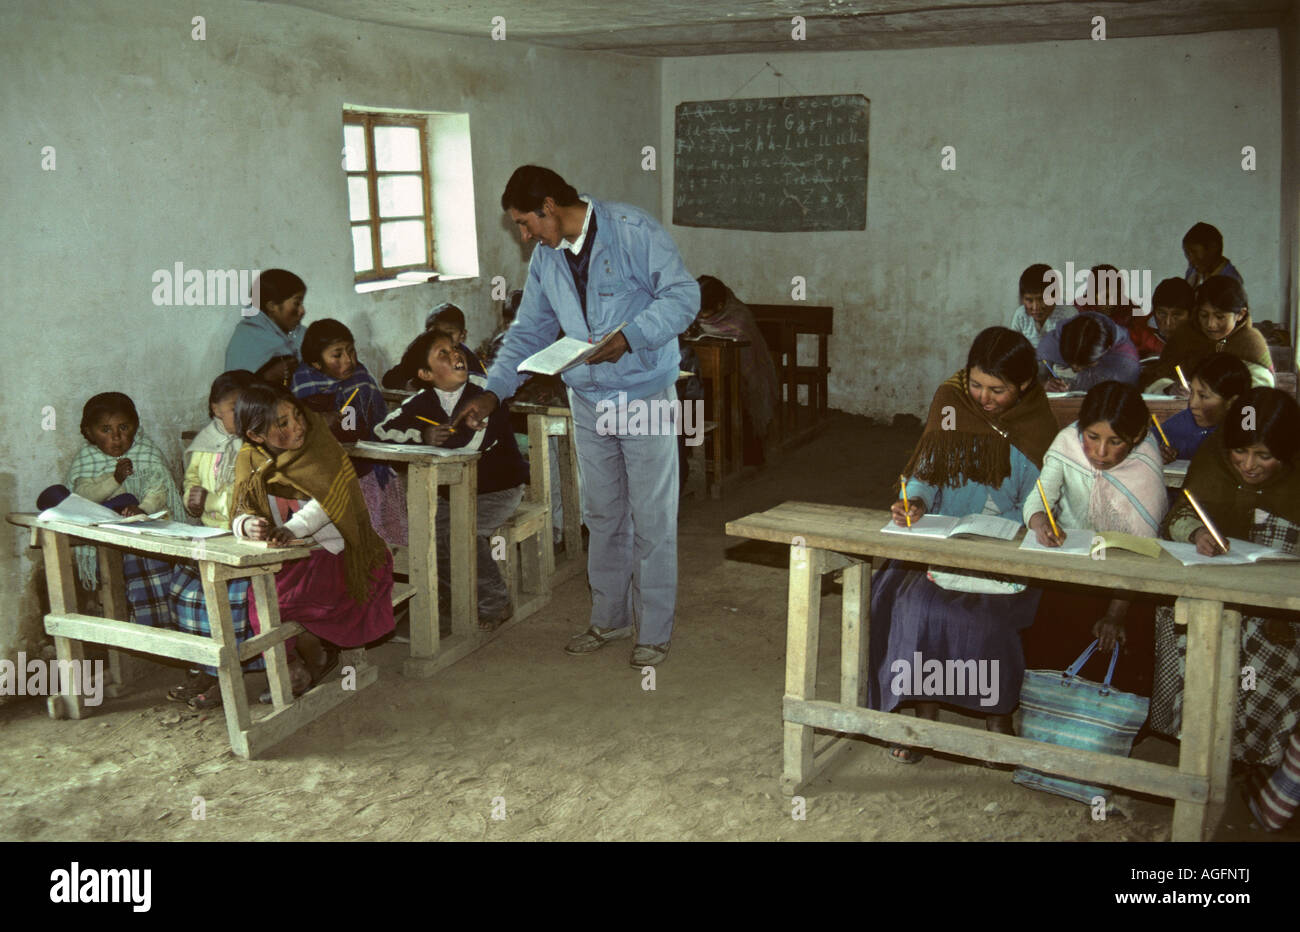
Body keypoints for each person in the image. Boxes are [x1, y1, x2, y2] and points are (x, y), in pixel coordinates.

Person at [455, 165, 699, 667]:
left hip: (642, 397)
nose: (525, 237)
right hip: (588, 399)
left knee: (651, 517)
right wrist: (493, 391)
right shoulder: (547, 258)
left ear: (549, 206)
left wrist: (631, 336)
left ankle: (654, 631)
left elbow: (683, 297)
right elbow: (529, 330)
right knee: (603, 514)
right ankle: (610, 619)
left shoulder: (631, 230)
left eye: (525, 223)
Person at [871, 327, 1059, 764]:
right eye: (976, 384)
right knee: (915, 606)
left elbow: (1041, 497)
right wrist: (916, 501)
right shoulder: (951, 405)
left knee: (987, 619)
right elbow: (927, 469)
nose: (983, 398)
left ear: (1024, 384)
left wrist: (1029, 524)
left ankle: (997, 715)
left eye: (997, 390)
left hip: (1005, 548)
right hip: (944, 541)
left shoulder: (1036, 424)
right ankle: (925, 716)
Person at [1151, 388, 1300, 769]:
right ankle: (1203, 745)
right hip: (1215, 588)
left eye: (1264, 456)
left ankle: (1260, 757)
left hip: (1282, 606)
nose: (1248, 465)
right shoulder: (1214, 458)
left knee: (1272, 655)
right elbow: (1180, 515)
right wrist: (1196, 532)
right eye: (1240, 451)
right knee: (1188, 629)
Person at [230, 385, 395, 698]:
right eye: (283, 423)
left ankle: (309, 659)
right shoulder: (249, 459)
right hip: (287, 556)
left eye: (297, 416)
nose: (297, 426)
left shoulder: (320, 447)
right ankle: (290, 666)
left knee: (284, 600)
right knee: (258, 598)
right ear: (255, 436)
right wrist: (247, 525)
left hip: (333, 551)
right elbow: (240, 507)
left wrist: (294, 528)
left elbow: (328, 502)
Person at [1021, 382, 1169, 694]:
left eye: (1115, 441)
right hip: (1072, 567)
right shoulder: (1067, 442)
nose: (1101, 452)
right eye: (1092, 437)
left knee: (1118, 649)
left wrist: (1115, 614)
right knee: (1050, 634)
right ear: (1080, 429)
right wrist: (1041, 522)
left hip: (1128, 583)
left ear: (1136, 437)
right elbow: (1038, 500)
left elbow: (1142, 550)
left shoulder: (1144, 460)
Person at [375, 329, 530, 629]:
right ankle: (451, 597)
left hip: (500, 489)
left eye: (455, 348)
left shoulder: (487, 393)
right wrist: (422, 435)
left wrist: (437, 442)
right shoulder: (421, 402)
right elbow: (382, 431)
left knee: (464, 531)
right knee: (427, 535)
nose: (456, 354)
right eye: (442, 353)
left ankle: (495, 601)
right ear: (426, 374)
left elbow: (471, 445)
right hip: (451, 492)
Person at [168, 370, 260, 709]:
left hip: (245, 536)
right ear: (215, 409)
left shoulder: (256, 443)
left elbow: (248, 497)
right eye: (234, 408)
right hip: (210, 534)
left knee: (231, 600)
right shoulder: (205, 443)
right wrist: (192, 497)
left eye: (247, 406)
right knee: (184, 593)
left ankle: (227, 676)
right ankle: (203, 668)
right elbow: (192, 478)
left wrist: (210, 500)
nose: (241, 414)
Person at [61, 392, 186, 628]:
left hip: (147, 533)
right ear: (89, 433)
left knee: (147, 559)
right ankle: (136, 626)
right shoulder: (86, 459)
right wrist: (115, 479)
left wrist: (142, 509)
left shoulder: (146, 452)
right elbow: (83, 497)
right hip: (105, 541)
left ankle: (159, 626)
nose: (116, 437)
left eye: (124, 427)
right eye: (105, 429)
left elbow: (159, 491)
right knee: (124, 567)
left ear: (135, 427)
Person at [290, 318, 406, 547]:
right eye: (337, 355)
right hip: (319, 475)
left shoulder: (359, 382)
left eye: (351, 351)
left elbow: (355, 430)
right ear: (316, 363)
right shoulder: (302, 383)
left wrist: (339, 422)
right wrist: (318, 420)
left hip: (364, 468)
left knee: (374, 534)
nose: (349, 360)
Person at [695, 274, 780, 463]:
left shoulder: (739, 318)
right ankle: (703, 452)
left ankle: (736, 454)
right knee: (693, 393)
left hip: (739, 379)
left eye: (704, 312)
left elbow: (747, 364)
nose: (699, 316)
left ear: (719, 306)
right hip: (706, 375)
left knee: (725, 395)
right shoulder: (695, 311)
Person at [1145, 276, 1274, 391]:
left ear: (1240, 314)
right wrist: (1169, 388)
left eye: (1220, 317)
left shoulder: (1250, 342)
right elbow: (1157, 376)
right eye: (1204, 315)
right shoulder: (1184, 336)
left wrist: (1218, 394)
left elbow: (1261, 391)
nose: (1210, 324)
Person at [1158, 353, 1250, 462]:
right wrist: (1158, 450)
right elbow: (1152, 438)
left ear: (1232, 402)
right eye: (1192, 392)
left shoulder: (1249, 424)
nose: (1192, 404)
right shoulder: (1189, 418)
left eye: (1203, 396)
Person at [224, 268, 307, 386]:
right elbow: (232, 389)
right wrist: (268, 376)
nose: (302, 311)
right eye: (297, 303)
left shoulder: (302, 334)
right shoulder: (246, 337)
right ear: (272, 306)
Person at [382, 302, 485, 388]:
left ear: (462, 336)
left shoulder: (466, 359)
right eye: (435, 333)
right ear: (426, 334)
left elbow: (482, 383)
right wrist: (408, 385)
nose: (442, 339)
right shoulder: (420, 353)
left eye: (449, 333)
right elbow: (389, 380)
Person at [1074, 264, 1163, 358]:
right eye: (1106, 296)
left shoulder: (1130, 312)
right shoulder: (1077, 312)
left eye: (1116, 296)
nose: (1112, 302)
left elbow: (1148, 338)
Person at [1038, 311, 1140, 390]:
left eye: (1085, 364)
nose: (1075, 370)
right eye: (1069, 360)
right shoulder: (1051, 343)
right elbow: (1033, 381)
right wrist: (1043, 385)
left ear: (1106, 350)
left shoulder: (1126, 362)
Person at [1010, 263, 1075, 351]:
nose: (1035, 307)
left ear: (1055, 296)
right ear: (1022, 299)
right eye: (1029, 300)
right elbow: (1013, 350)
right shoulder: (1020, 316)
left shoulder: (1069, 315)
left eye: (1042, 299)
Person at [1182, 222, 1244, 289]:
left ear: (1213, 248)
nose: (1190, 259)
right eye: (1187, 253)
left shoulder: (1231, 282)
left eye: (1194, 252)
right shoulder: (1193, 270)